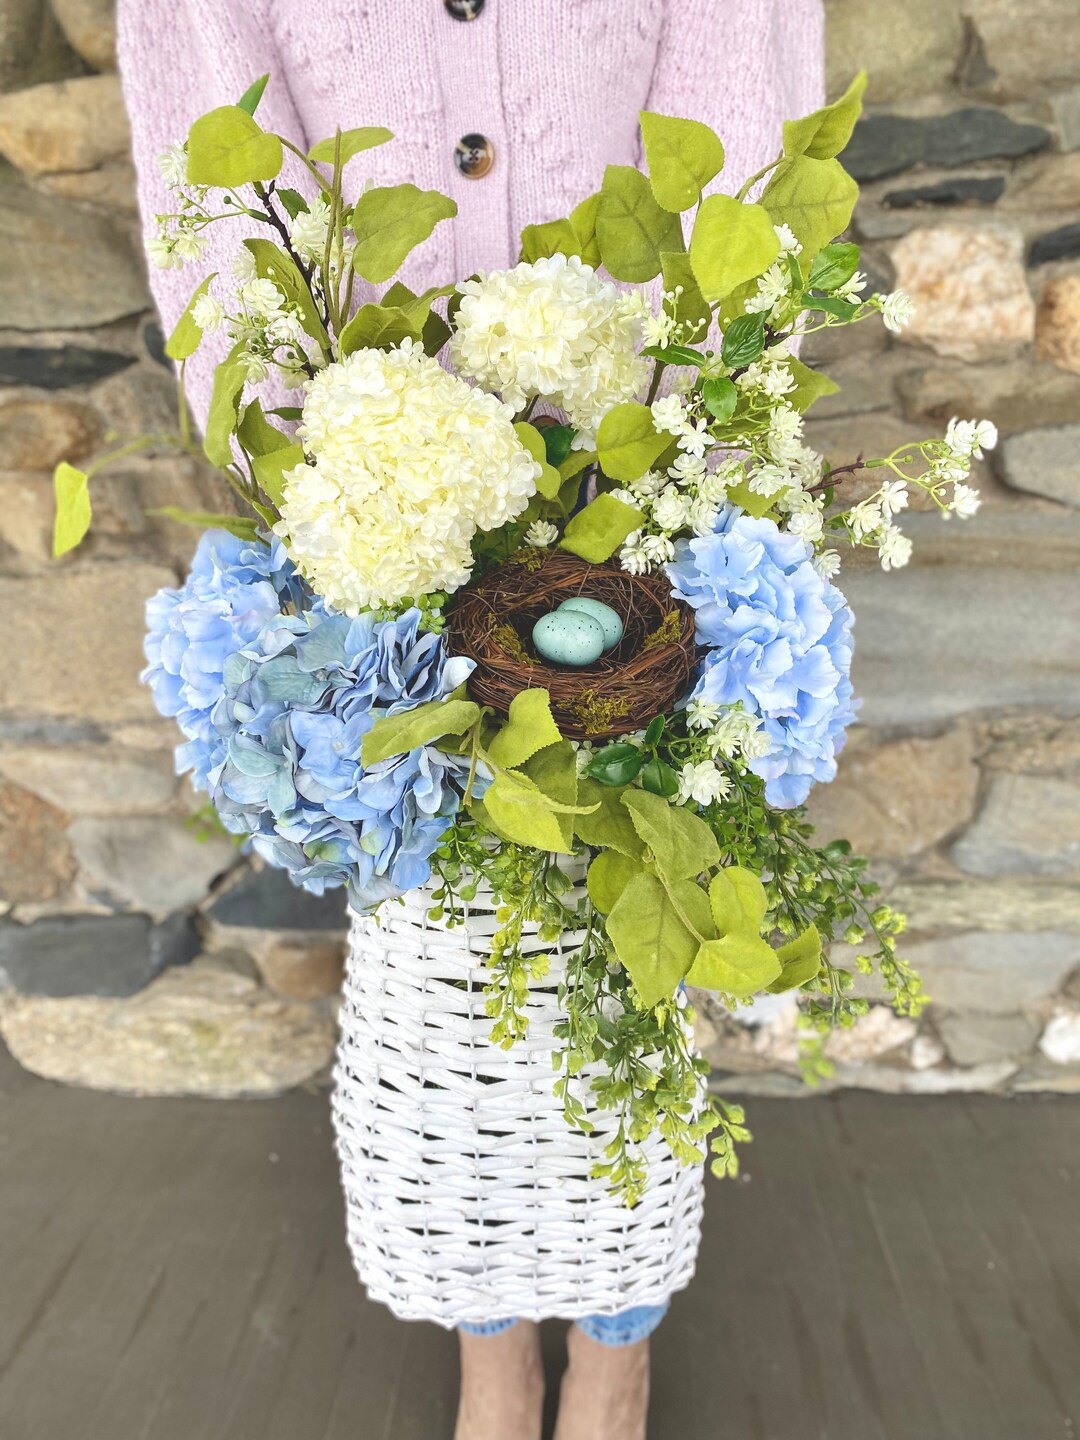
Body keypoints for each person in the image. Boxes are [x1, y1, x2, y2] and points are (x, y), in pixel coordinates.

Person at [116, 4, 824, 1436]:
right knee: (453, 972)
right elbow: (212, 170)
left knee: (631, 921)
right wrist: (348, 502)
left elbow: (746, 130)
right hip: (377, 506)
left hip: (640, 483)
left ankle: (616, 1346)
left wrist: (661, 483)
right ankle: (490, 1347)